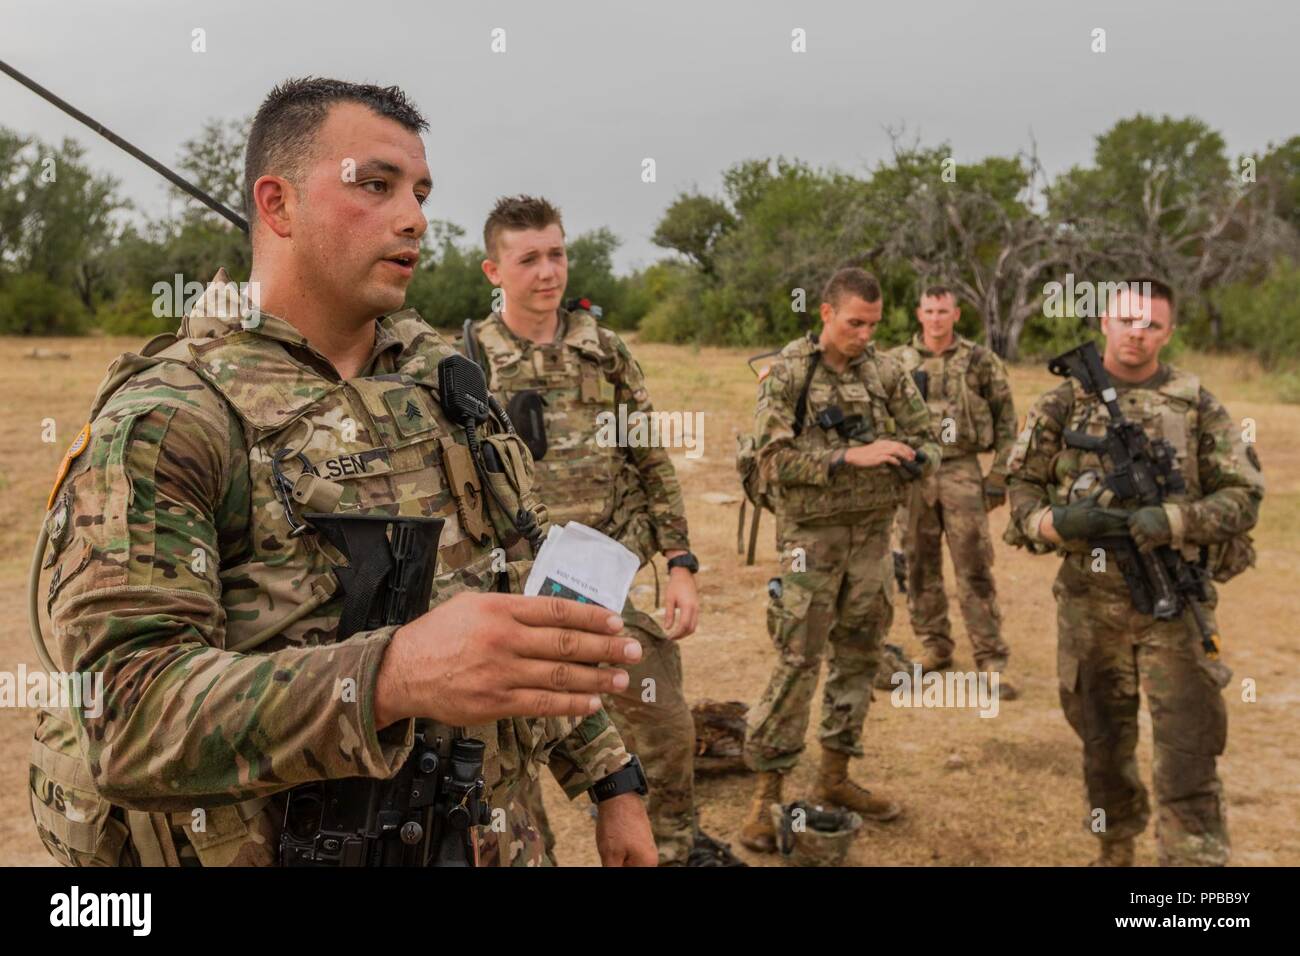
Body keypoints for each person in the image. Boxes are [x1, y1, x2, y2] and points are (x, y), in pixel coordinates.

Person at [29, 78, 655, 868]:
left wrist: (612, 781)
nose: (415, 217)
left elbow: (519, 597)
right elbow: (124, 718)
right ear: (278, 205)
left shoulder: (444, 383)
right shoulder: (170, 418)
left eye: (422, 192)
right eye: (375, 184)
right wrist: (392, 675)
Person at [465, 195, 740, 866]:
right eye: (528, 258)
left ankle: (671, 850)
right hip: (518, 595)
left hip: (611, 583)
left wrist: (680, 562)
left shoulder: (604, 350)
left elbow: (648, 456)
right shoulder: (464, 362)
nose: (547, 271)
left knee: (667, 731)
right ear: (493, 270)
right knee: (514, 761)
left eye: (556, 253)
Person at [1004, 279, 1264, 866]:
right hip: (1089, 610)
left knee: (1189, 750)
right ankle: (1114, 851)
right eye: (1127, 320)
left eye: (1151, 324)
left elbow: (1244, 498)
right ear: (1104, 322)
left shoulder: (1195, 402)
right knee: (1103, 747)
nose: (1137, 333)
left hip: (1174, 609)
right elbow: (1018, 495)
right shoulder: (1061, 403)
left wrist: (1172, 518)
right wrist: (1058, 523)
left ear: (1168, 333)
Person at [738, 267, 940, 854]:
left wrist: (914, 458)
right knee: (798, 659)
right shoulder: (789, 374)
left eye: (874, 324)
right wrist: (851, 456)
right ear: (826, 314)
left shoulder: (887, 372)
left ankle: (834, 775)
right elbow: (773, 461)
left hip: (874, 539)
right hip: (811, 539)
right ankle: (767, 793)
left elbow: (930, 439)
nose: (864, 334)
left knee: (860, 656)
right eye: (855, 323)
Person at [888, 286, 1019, 695]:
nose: (936, 318)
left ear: (956, 315)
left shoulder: (981, 361)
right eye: (929, 311)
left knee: (974, 565)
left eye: (943, 311)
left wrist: (998, 477)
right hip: (913, 472)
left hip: (961, 469)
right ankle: (935, 645)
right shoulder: (896, 361)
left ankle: (990, 657)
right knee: (918, 564)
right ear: (919, 314)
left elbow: (1008, 424)